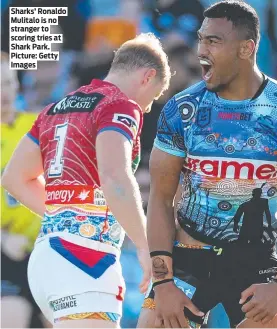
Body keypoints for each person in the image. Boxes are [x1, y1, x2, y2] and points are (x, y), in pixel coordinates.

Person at [137, 1, 277, 328]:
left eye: (214, 41)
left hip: (255, 263)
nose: (201, 49)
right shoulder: (181, 109)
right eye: (201, 39)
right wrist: (163, 282)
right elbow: (159, 199)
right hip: (186, 259)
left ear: (247, 48)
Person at [1, 33, 171, 328]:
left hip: (45, 259)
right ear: (148, 77)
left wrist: (64, 215)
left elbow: (14, 178)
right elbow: (114, 176)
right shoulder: (120, 106)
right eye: (153, 99)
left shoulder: (56, 108)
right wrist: (147, 246)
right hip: (84, 262)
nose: (146, 108)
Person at [1, 52, 44, 328]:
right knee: (11, 317)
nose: (3, 93)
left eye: (7, 83)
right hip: (7, 253)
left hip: (49, 246)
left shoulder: (41, 124)